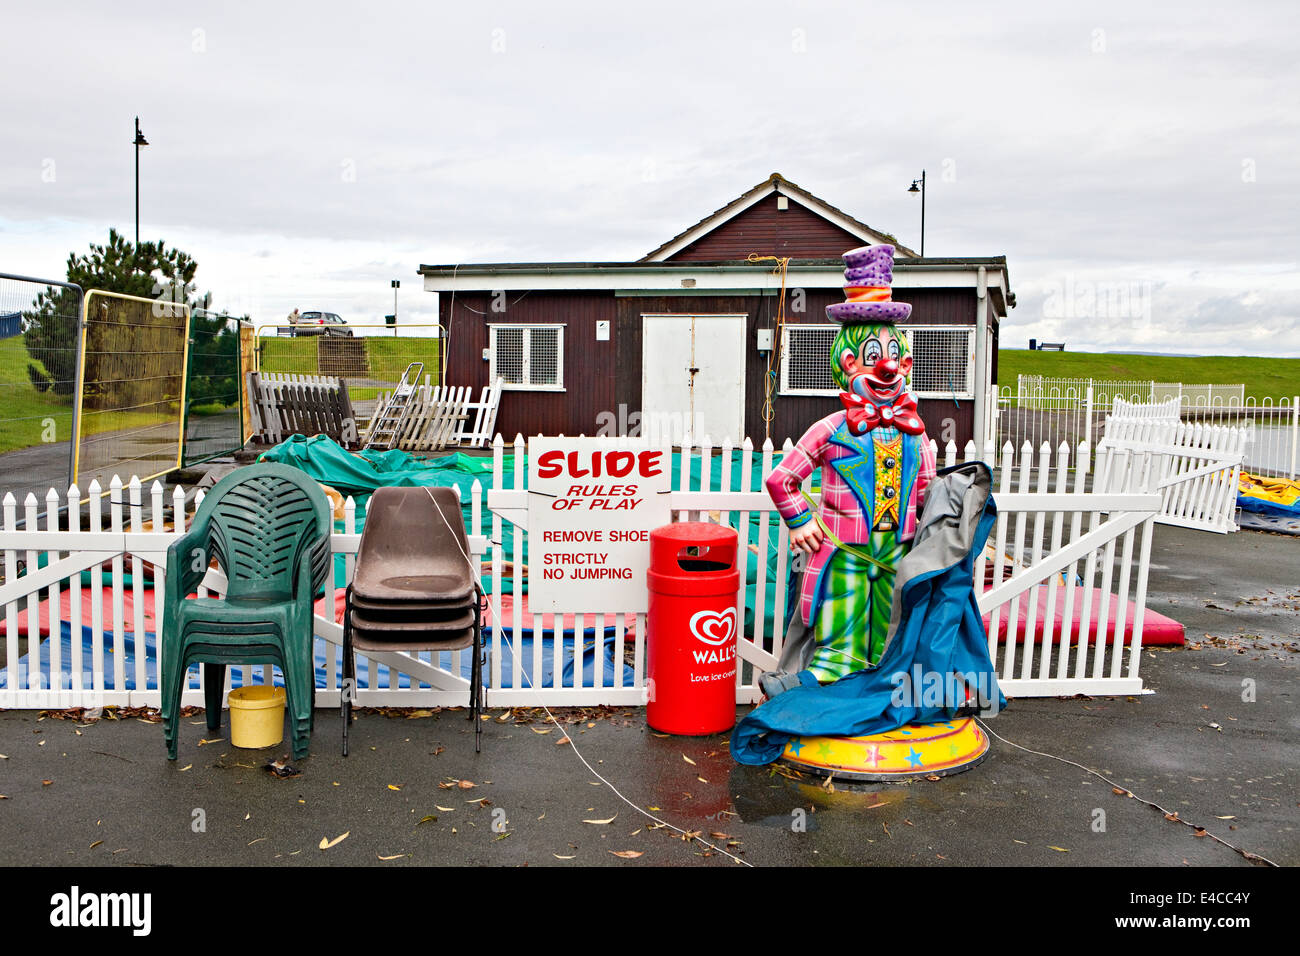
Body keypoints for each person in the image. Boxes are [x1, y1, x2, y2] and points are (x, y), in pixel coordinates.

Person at [763, 245, 936, 689]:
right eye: (875, 354)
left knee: (892, 630)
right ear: (848, 363)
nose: (889, 366)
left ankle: (881, 688)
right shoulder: (831, 428)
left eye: (895, 354)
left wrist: (931, 538)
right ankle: (822, 684)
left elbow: (928, 491)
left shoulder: (915, 431)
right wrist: (800, 521)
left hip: (898, 551)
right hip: (844, 552)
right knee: (840, 629)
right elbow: (782, 478)